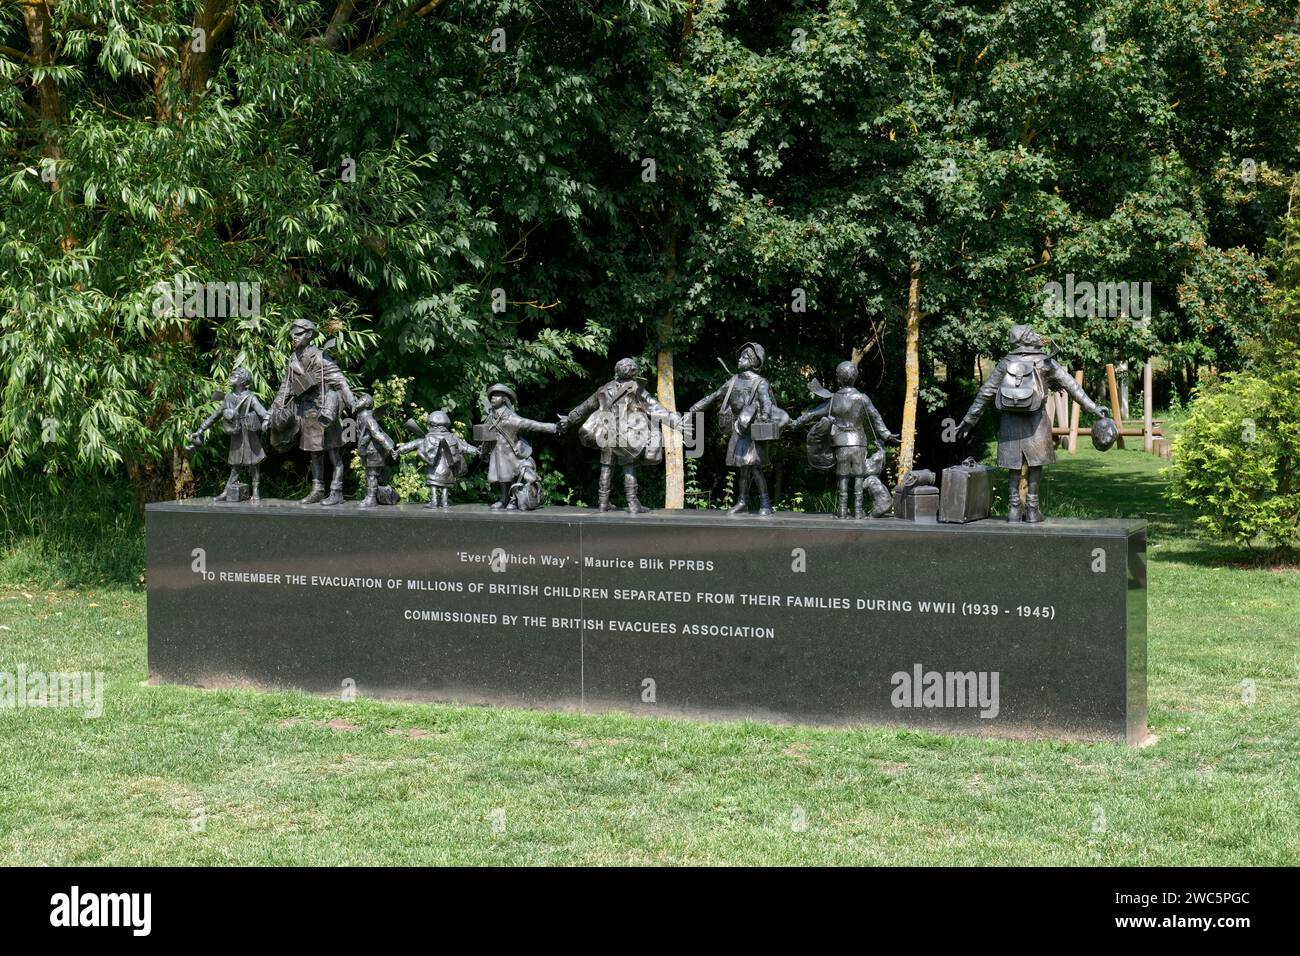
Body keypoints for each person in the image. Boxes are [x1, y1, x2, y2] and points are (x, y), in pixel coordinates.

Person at [956, 323, 1109, 523]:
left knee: (1014, 466)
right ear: (1027, 338)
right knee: (1035, 465)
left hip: (1010, 422)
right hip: (1036, 422)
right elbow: (1072, 386)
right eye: (1033, 333)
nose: (1038, 335)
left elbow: (986, 392)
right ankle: (1032, 510)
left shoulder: (1005, 363)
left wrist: (969, 419)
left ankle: (1013, 509)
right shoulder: (1045, 363)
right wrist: (1093, 408)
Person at [564, 357, 683, 513]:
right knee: (629, 466)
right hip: (625, 434)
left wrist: (569, 419)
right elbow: (654, 408)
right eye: (633, 368)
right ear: (630, 371)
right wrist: (674, 421)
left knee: (606, 467)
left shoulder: (604, 389)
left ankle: (602, 503)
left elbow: (585, 406)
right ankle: (633, 503)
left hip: (606, 434)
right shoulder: (636, 388)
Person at [688, 342, 788, 516]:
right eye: (740, 356)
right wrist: (692, 410)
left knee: (754, 467)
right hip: (739, 430)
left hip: (754, 431)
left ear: (754, 361)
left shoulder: (760, 382)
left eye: (744, 357)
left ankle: (765, 504)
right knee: (743, 468)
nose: (740, 359)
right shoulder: (733, 380)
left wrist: (763, 417)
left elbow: (766, 403)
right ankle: (742, 501)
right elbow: (714, 396)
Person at [790, 360, 900, 519]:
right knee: (859, 475)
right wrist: (886, 434)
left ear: (839, 379)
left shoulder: (834, 399)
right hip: (858, 442)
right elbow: (875, 416)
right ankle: (857, 510)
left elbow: (813, 413)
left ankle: (842, 510)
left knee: (842, 476)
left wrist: (796, 423)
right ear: (855, 378)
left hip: (841, 443)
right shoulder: (862, 398)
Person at [269, 318, 357, 506]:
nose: (294, 337)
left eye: (299, 333)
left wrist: (352, 402)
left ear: (309, 335)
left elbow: (340, 380)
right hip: (307, 412)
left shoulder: (320, 356)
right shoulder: (293, 359)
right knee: (314, 453)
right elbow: (285, 388)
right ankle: (317, 490)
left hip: (324, 411)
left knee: (333, 453)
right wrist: (272, 411)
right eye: (292, 334)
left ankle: (337, 490)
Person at [186, 367, 270, 503]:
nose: (231, 377)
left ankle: (256, 491)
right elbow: (215, 416)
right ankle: (226, 492)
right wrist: (200, 430)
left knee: (255, 463)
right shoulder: (228, 398)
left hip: (248, 433)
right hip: (236, 434)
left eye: (235, 375)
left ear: (242, 380)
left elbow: (263, 412)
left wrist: (267, 420)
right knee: (236, 465)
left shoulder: (250, 397)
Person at [478, 384, 564, 510]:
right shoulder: (491, 417)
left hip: (512, 452)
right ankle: (503, 499)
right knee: (501, 477)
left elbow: (532, 424)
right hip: (497, 451)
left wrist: (554, 427)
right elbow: (486, 436)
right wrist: (483, 450)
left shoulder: (512, 418)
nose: (493, 398)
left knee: (513, 475)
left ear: (504, 399)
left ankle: (513, 499)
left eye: (497, 395)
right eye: (492, 396)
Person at [396, 411, 479, 509]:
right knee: (445, 486)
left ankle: (434, 501)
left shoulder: (428, 438)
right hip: (448, 469)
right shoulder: (453, 437)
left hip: (434, 469)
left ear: (431, 424)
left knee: (434, 485)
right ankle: (445, 502)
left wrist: (399, 451)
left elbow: (414, 444)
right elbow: (465, 447)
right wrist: (477, 450)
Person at [353, 394, 400, 508]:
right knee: (371, 475)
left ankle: (371, 499)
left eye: (362, 400)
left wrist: (389, 447)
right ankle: (375, 497)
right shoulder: (361, 415)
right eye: (359, 399)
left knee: (372, 475)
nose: (359, 401)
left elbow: (376, 434)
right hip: (368, 450)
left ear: (368, 404)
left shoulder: (368, 417)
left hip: (373, 451)